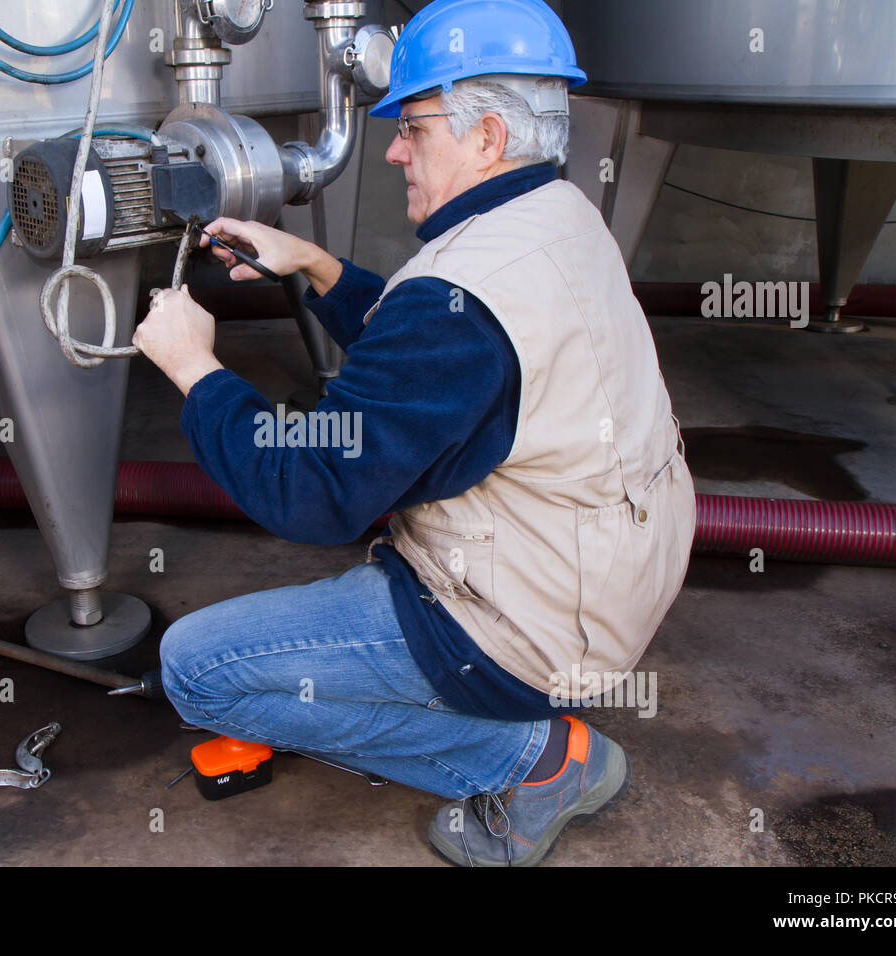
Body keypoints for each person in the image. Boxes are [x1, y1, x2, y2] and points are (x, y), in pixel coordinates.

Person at [130, 0, 696, 866]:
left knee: (195, 671)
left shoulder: (456, 302)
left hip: (523, 627)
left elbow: (314, 490)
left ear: (488, 135)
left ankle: (537, 761)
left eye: (414, 126)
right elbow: (433, 373)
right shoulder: (556, 215)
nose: (393, 147)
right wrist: (315, 266)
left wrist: (194, 369)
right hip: (604, 573)